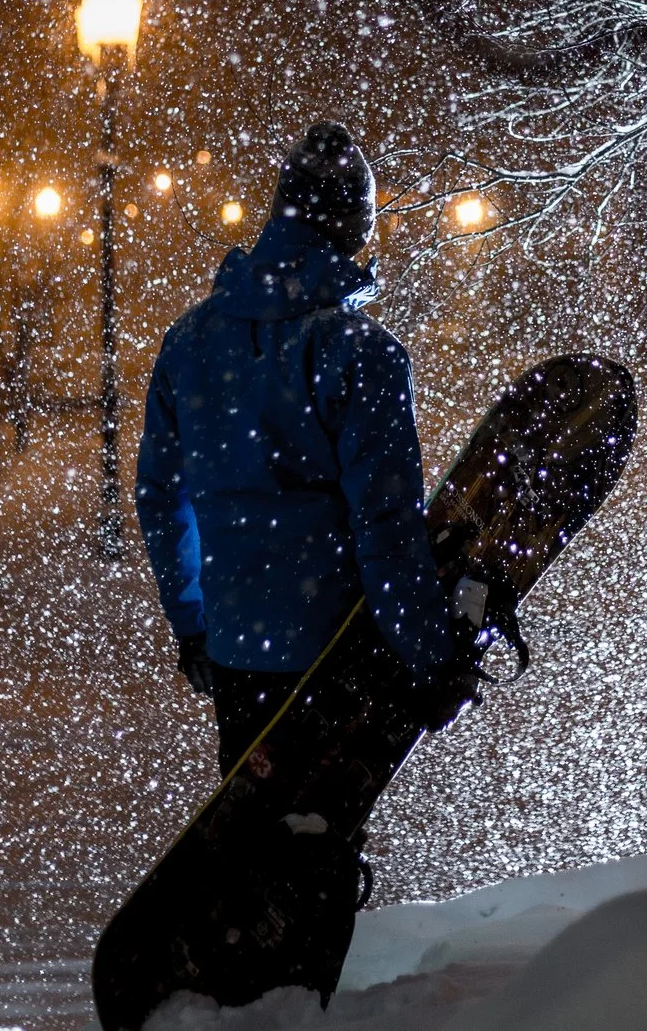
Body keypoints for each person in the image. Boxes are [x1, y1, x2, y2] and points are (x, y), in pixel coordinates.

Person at [132, 122, 477, 994]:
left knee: (250, 839)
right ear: (354, 226)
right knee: (317, 848)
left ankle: (242, 990)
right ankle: (299, 999)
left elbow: (160, 499)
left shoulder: (189, 343)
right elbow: (388, 528)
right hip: (335, 656)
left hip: (237, 651)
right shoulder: (361, 354)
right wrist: (429, 654)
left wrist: (193, 621)